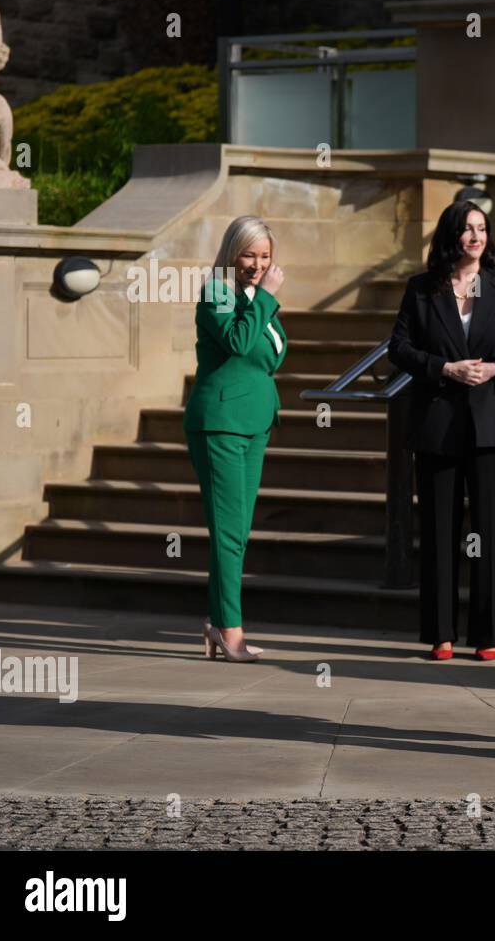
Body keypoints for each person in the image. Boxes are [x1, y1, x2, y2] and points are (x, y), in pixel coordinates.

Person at [388, 200, 495, 661]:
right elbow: (399, 348)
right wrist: (444, 368)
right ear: (450, 236)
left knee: (492, 533)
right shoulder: (422, 289)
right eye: (466, 229)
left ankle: (488, 632)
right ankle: (440, 633)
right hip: (438, 425)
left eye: (481, 229)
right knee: (439, 531)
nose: (475, 237)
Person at [184, 215, 288, 663]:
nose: (257, 264)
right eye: (249, 254)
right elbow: (241, 344)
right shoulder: (216, 294)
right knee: (228, 533)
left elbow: (270, 356)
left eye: (265, 256)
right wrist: (265, 297)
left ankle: (214, 621)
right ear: (231, 252)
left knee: (238, 533)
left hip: (255, 422)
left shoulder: (250, 298)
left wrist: (260, 298)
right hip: (221, 422)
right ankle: (232, 631)